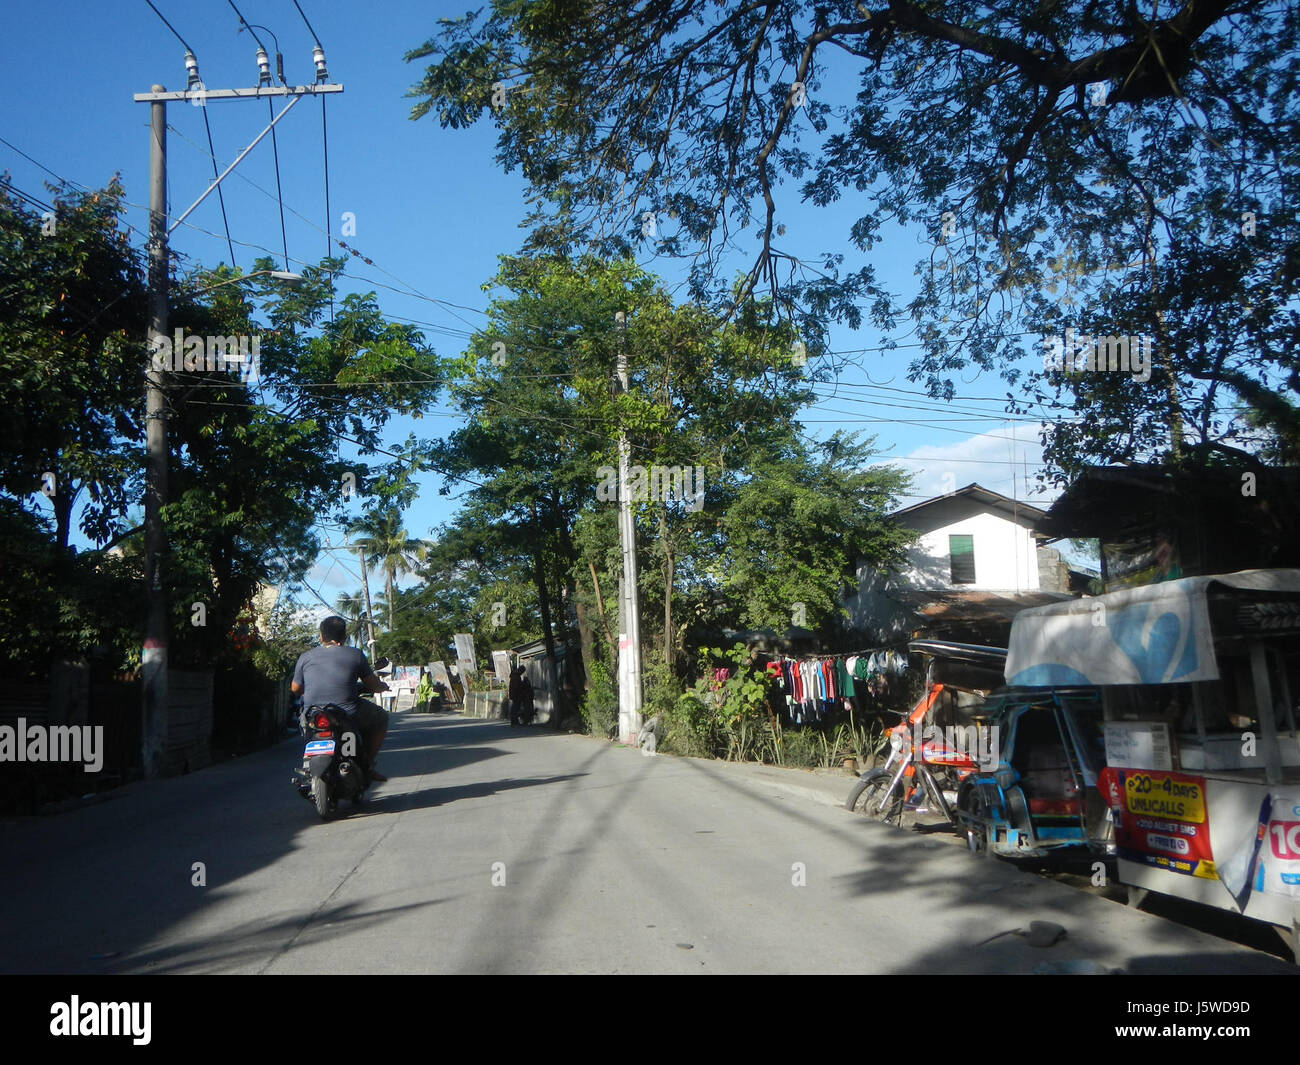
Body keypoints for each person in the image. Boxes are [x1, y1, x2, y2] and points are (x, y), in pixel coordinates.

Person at [291, 616, 391, 782]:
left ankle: (311, 763)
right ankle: (367, 764)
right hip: (347, 713)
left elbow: (295, 688)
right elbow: (373, 686)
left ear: (321, 637)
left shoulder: (305, 657)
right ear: (344, 637)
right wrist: (382, 687)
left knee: (306, 727)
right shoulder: (355, 654)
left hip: (312, 714)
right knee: (381, 717)